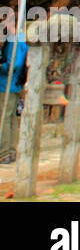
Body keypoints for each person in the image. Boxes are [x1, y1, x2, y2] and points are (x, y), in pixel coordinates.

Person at [0, 34, 27, 164]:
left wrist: (1, 66)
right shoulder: (22, 38)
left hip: (7, 85)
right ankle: (11, 151)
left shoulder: (14, 40)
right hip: (16, 85)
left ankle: (4, 152)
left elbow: (13, 65)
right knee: (11, 118)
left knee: (4, 117)